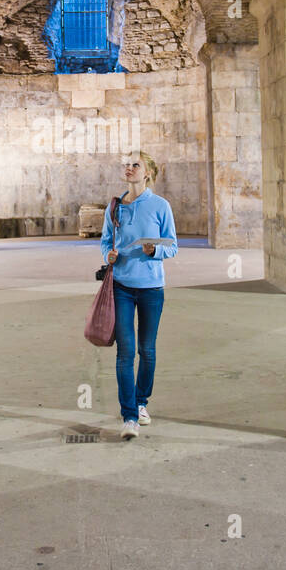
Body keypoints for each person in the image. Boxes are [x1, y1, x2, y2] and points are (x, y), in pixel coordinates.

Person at [100, 150, 177, 441]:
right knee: (125, 353)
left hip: (151, 289)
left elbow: (172, 245)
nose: (129, 168)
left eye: (136, 165)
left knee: (147, 350)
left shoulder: (160, 206)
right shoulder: (115, 206)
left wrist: (155, 250)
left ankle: (142, 402)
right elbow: (106, 239)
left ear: (147, 173)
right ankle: (129, 415)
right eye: (127, 164)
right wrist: (107, 254)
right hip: (121, 286)